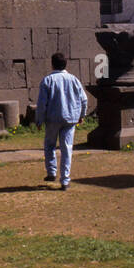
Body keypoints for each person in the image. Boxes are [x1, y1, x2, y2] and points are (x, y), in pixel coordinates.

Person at [34, 52, 87, 190]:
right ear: (65, 64)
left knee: (50, 145)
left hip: (52, 119)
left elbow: (42, 103)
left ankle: (51, 172)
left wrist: (39, 120)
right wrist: (82, 115)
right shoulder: (74, 79)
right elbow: (84, 99)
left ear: (52, 64)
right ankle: (65, 181)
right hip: (70, 118)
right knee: (67, 148)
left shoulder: (47, 80)